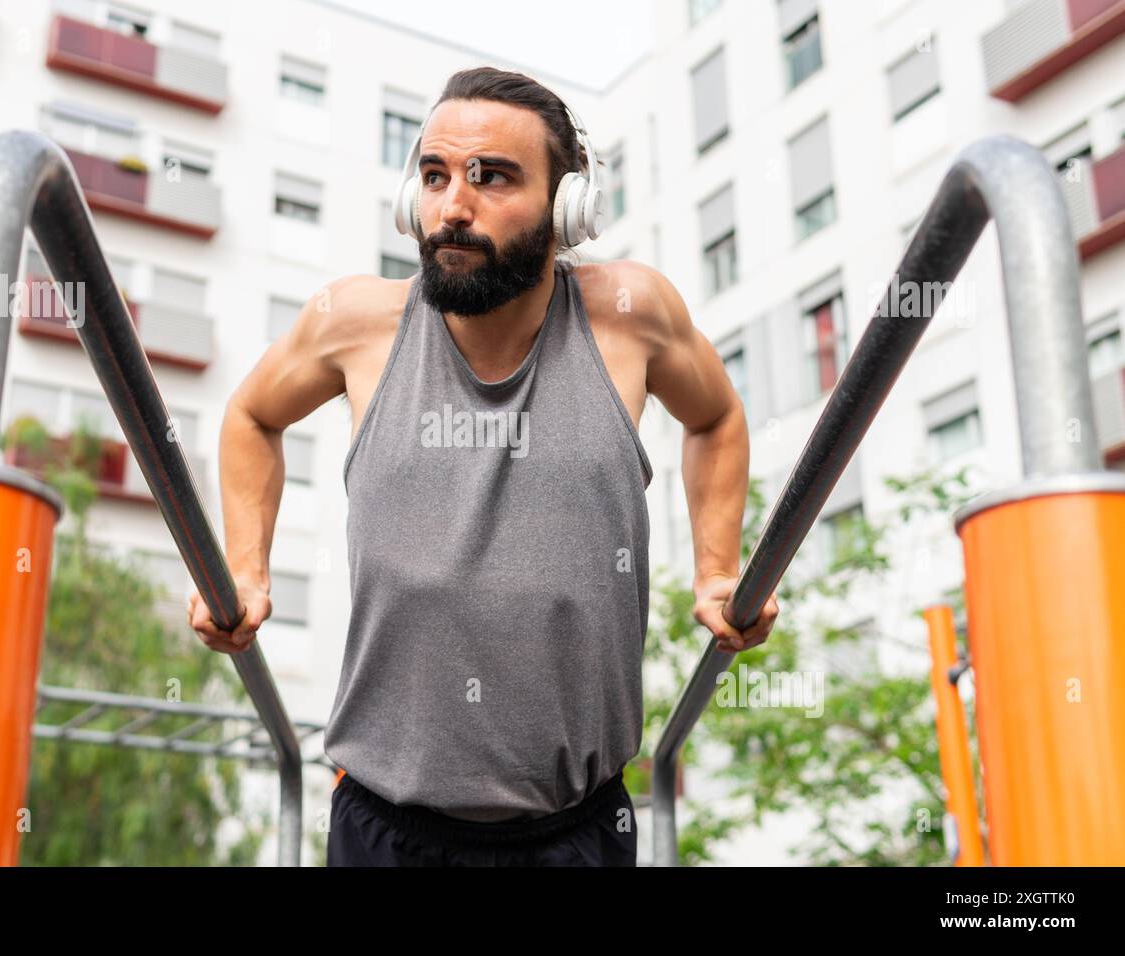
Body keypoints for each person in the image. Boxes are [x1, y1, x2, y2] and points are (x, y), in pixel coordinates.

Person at [189, 66, 780, 866]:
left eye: (492, 177)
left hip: (575, 832)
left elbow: (714, 415)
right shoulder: (356, 324)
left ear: (568, 208)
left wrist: (717, 571)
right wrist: (246, 569)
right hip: (384, 830)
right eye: (433, 177)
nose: (453, 208)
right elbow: (251, 415)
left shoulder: (632, 317)